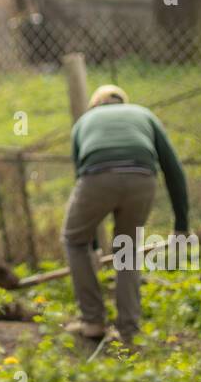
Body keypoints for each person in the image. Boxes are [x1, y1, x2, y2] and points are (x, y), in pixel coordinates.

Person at [62, 84, 188, 348]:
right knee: (127, 250)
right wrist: (181, 226)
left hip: (97, 177)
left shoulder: (84, 121)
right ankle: (129, 330)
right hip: (143, 178)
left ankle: (93, 320)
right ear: (123, 103)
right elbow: (173, 169)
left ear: (95, 105)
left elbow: (81, 179)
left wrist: (92, 246)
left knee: (74, 240)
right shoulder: (144, 114)